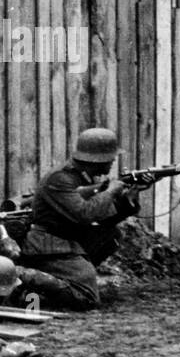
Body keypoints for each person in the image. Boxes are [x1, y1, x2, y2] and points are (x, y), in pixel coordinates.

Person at [16, 128, 151, 311]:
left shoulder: (84, 177)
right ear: (98, 159)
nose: (113, 161)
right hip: (48, 245)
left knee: (110, 235)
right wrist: (110, 191)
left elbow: (104, 219)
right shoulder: (59, 178)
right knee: (87, 299)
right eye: (110, 157)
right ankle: (25, 278)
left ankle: (68, 279)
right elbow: (85, 214)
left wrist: (130, 196)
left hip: (69, 240)